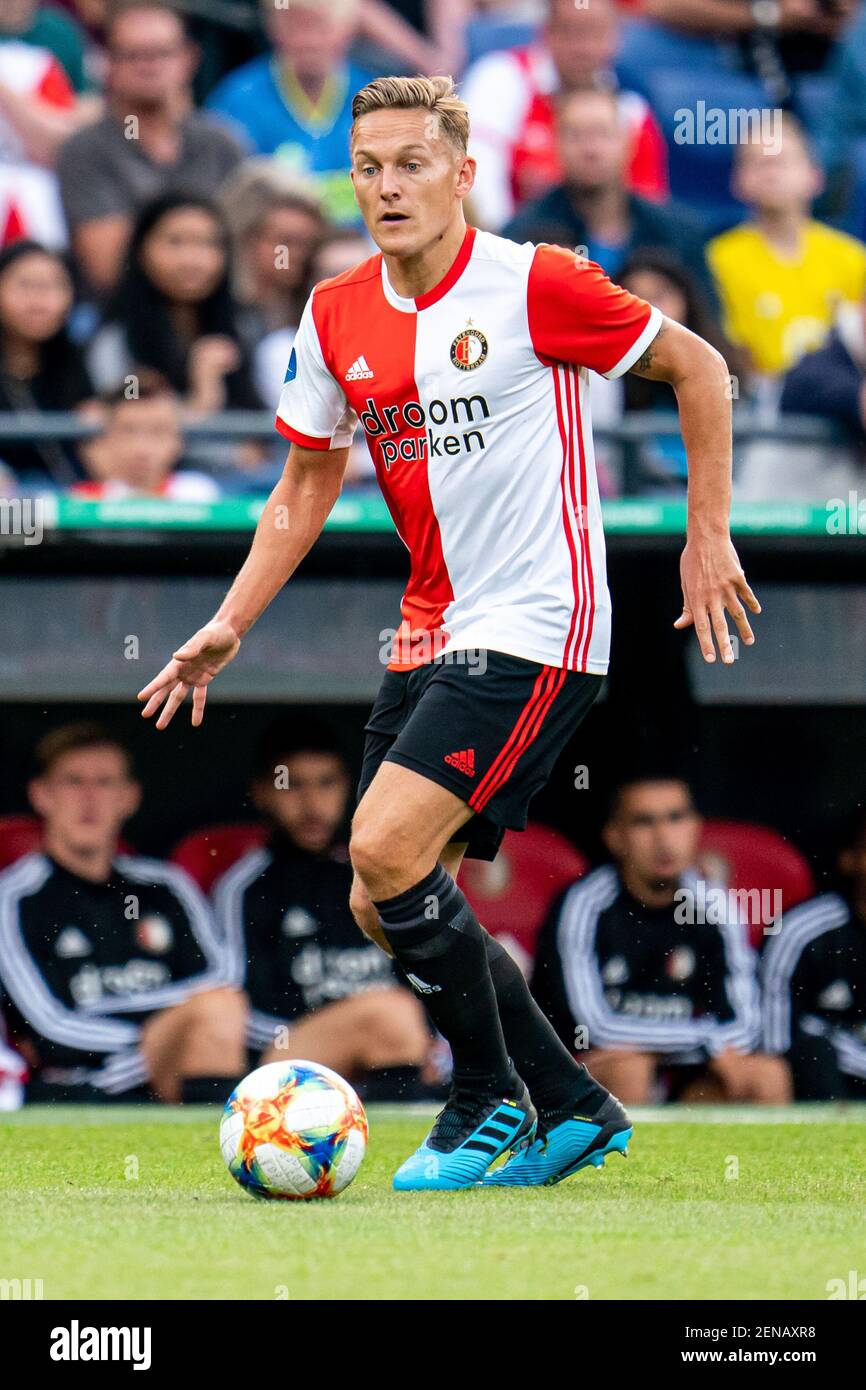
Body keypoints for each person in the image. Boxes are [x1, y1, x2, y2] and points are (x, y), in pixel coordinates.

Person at [136, 74, 760, 1192]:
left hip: (541, 619)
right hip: (429, 628)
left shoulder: (538, 283)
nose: (386, 186)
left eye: (410, 164)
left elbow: (699, 367)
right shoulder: (331, 312)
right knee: (378, 896)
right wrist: (229, 619)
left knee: (381, 849)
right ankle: (568, 1101)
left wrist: (703, 534)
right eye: (367, 166)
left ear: (461, 175)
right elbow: (302, 482)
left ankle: (484, 1101)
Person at [0, 723, 243, 1103]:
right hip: (76, 1089)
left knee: (217, 1009)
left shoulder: (165, 886)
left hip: (159, 1064)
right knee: (208, 1013)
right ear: (41, 795)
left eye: (105, 783)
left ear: (129, 798)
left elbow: (223, 981)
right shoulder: (14, 898)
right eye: (74, 782)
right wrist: (153, 1039)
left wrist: (160, 1030)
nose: (90, 799)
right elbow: (47, 1028)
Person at [531, 776, 790, 1104]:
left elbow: (746, 1023)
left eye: (676, 818)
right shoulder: (585, 903)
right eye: (644, 822)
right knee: (631, 1071)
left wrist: (697, 1049)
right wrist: (707, 1044)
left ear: (696, 827)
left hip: (689, 1071)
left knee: (767, 1075)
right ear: (615, 837)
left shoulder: (713, 904)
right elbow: (593, 1027)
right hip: (590, 1070)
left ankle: (743, 1159)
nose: (664, 838)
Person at [213, 718, 431, 1098]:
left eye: (326, 783)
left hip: (396, 1046)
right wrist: (344, 1024)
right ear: (262, 792)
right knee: (390, 1014)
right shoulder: (245, 887)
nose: (312, 804)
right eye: (292, 784)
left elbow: (423, 978)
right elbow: (236, 1007)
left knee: (400, 1016)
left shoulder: (377, 876)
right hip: (284, 1064)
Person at [56, 0, 245, 296]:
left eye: (162, 52)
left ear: (190, 58)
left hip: (217, 316)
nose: (149, 66)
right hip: (124, 320)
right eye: (134, 55)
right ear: (109, 64)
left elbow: (244, 253)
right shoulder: (85, 150)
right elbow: (110, 268)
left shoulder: (222, 143)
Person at [461, 0, 668, 232]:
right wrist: (505, 246)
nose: (583, 47)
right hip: (517, 247)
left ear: (617, 38)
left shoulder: (633, 111)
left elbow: (647, 211)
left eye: (596, 33)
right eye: (570, 32)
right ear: (545, 32)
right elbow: (476, 178)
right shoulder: (501, 78)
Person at [502, 85, 712, 296]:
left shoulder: (678, 234)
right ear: (556, 144)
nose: (591, 149)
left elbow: (705, 322)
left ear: (628, 142)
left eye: (603, 134)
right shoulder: (523, 237)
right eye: (576, 136)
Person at [707, 114, 866, 378]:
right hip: (761, 406)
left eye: (782, 161)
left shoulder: (852, 258)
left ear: (815, 176)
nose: (771, 171)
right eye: (758, 162)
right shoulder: (719, 260)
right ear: (738, 181)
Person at [87, 194, 262, 416]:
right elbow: (131, 437)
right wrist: (202, 398)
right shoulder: (117, 343)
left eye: (208, 243)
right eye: (175, 241)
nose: (193, 260)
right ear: (141, 250)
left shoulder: (247, 328)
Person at [206, 0, 373, 227]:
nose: (308, 40)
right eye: (295, 26)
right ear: (273, 30)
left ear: (348, 31)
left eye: (320, 26)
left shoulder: (374, 97)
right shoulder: (237, 100)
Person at [762, 810, 866, 1100]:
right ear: (851, 859)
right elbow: (775, 1043)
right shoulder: (804, 930)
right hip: (827, 1093)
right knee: (814, 1052)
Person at [0, 238, 94, 487]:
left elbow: (134, 382)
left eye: (54, 286)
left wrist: (120, 401)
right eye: (25, 285)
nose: (39, 300)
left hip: (73, 502)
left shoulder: (87, 352)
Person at [71, 373, 221, 502]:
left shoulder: (198, 494)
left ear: (178, 441)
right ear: (106, 438)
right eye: (128, 431)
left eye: (157, 432)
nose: (142, 448)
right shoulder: (82, 500)